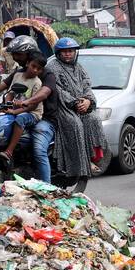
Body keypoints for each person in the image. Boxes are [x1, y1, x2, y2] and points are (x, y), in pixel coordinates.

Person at [42, 36, 100, 182]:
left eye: (71, 51)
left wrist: (87, 101)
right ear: (58, 53)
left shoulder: (79, 67)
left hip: (81, 105)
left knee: (94, 118)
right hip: (62, 106)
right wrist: (74, 102)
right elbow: (58, 90)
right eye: (64, 51)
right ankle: (75, 164)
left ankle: (91, 158)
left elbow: (87, 86)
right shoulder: (53, 67)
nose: (68, 54)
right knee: (74, 124)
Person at [0, 52, 47, 164]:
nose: (35, 70)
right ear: (28, 63)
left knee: (20, 119)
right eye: (33, 66)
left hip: (33, 113)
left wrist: (14, 111)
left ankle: (9, 151)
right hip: (15, 108)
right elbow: (10, 93)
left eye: (39, 69)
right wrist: (7, 104)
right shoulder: (17, 76)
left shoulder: (37, 82)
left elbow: (33, 106)